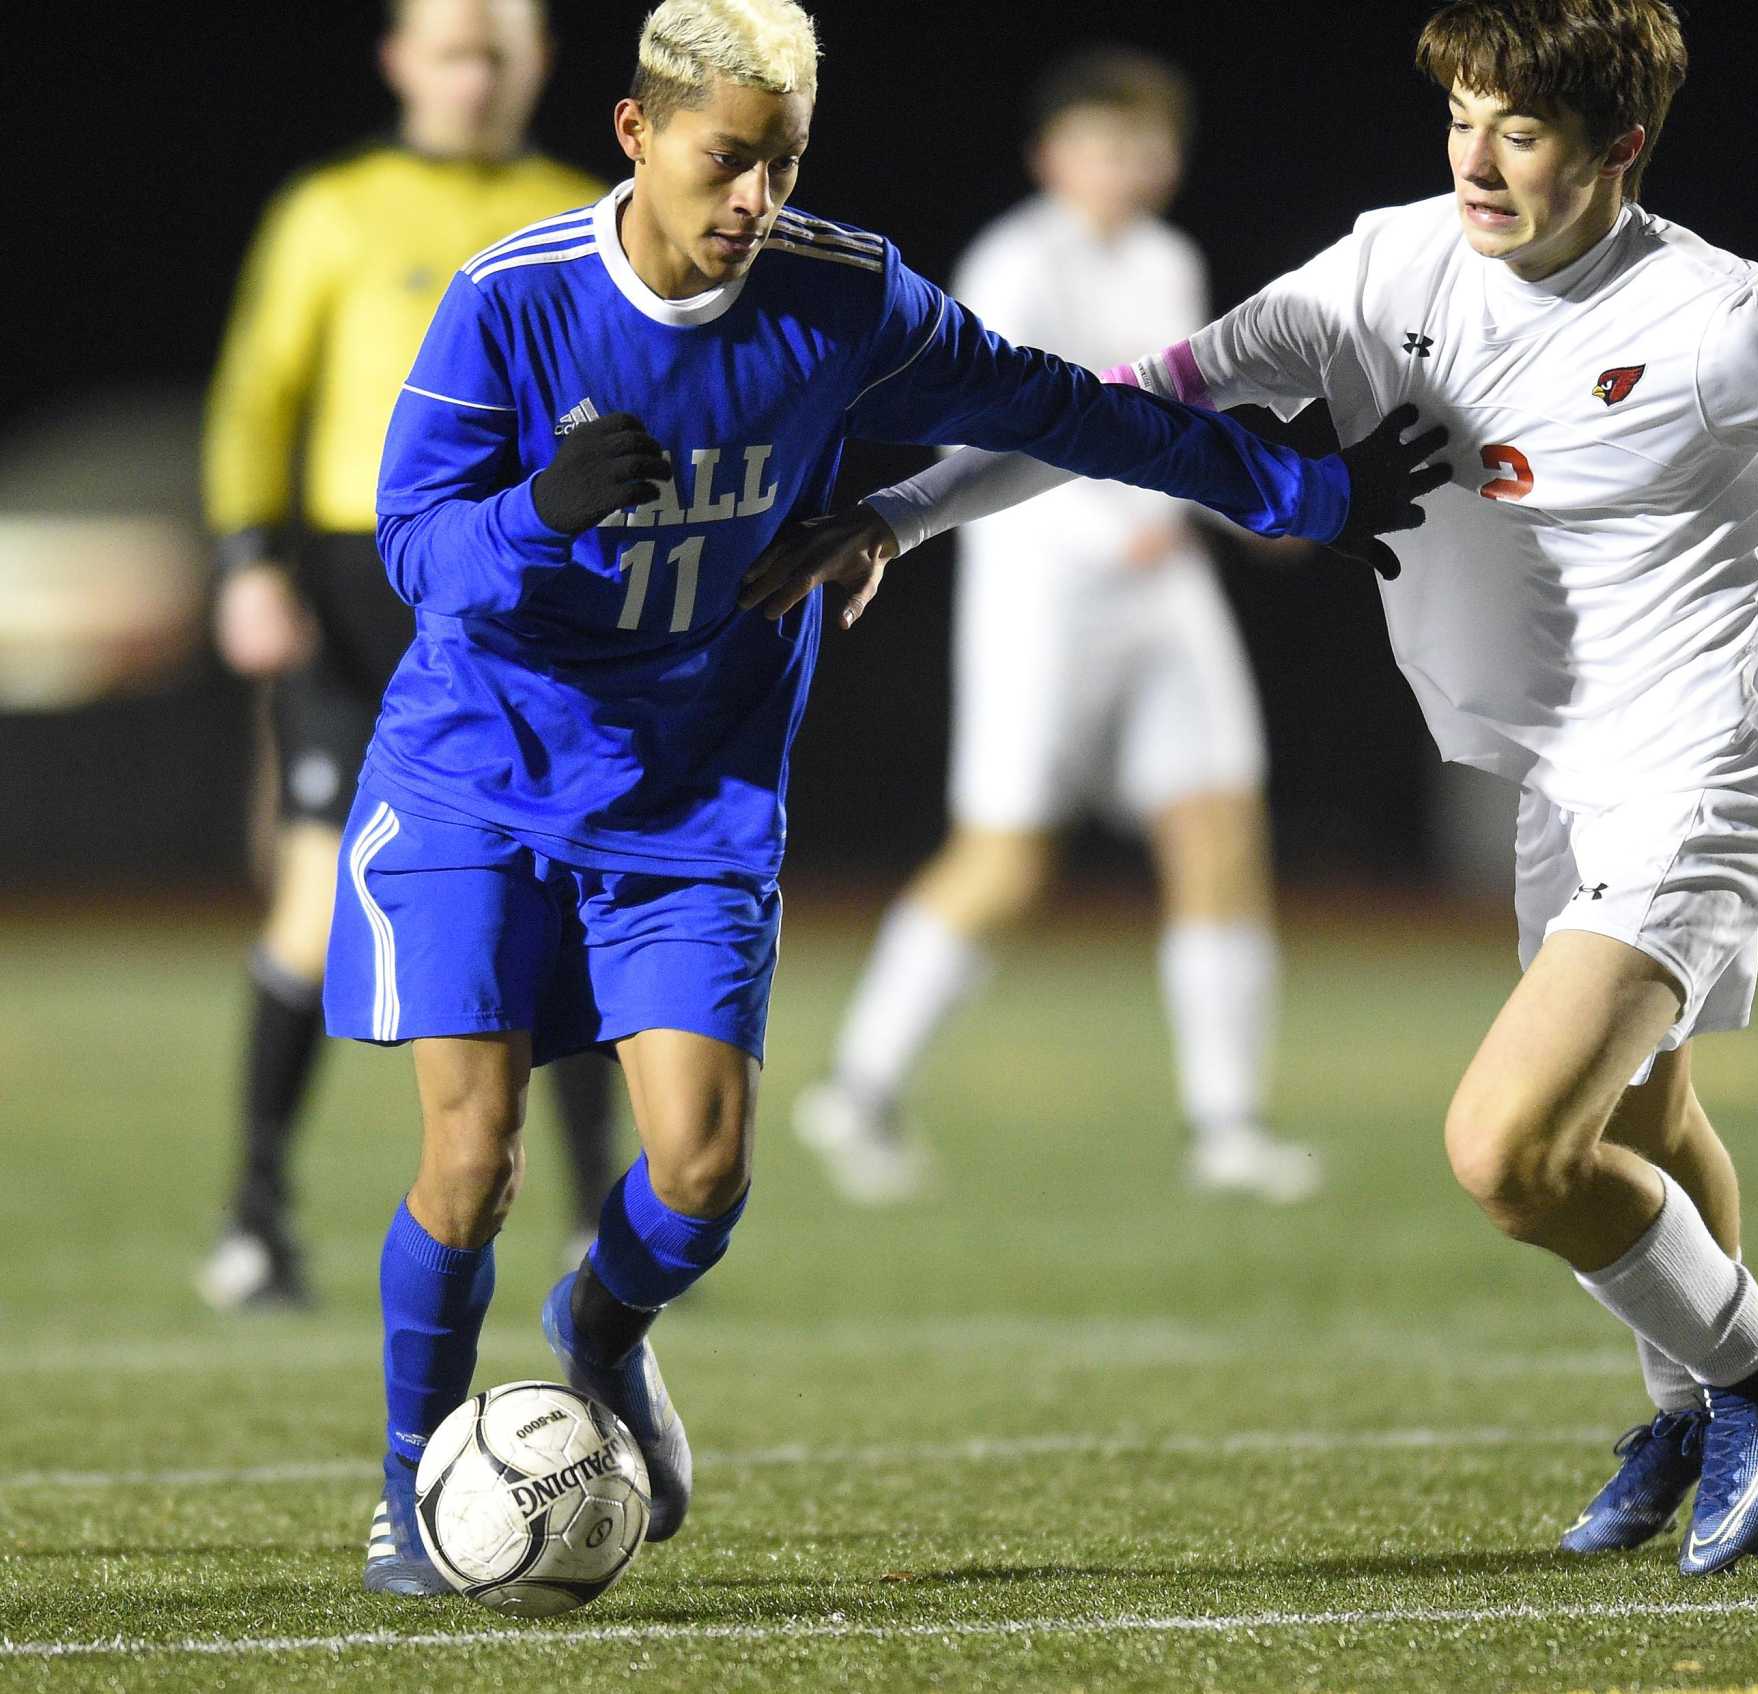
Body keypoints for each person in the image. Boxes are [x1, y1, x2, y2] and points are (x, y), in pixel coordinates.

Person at [745, 0, 1758, 1576]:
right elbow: (1116, 413)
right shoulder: (1384, 269)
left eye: (1522, 130)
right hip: (1562, 782)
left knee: (1508, 1151)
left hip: (1714, 768)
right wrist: (895, 517)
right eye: (1460, 120)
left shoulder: (1719, 324)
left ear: (1621, 148)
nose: (1476, 164)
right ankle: (1706, 1402)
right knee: (1651, 1112)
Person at [334, 0, 1446, 1597]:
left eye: (782, 167)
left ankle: (600, 1323)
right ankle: (409, 1494)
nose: (754, 202)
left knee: (703, 1172)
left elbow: (1065, 408)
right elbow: (415, 545)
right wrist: (535, 512)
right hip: (481, 779)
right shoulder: (513, 304)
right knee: (471, 1158)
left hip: (694, 790)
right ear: (639, 136)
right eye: (727, 161)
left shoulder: (840, 295)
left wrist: (1298, 489)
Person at [792, 48, 1318, 1208]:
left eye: (1144, 145)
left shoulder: (1169, 258)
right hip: (1039, 595)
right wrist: (1104, 529)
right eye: (1100, 142)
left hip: (1163, 591)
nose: (1124, 166)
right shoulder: (1013, 262)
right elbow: (979, 433)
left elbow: (1171, 426)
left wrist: (1245, 507)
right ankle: (858, 1084)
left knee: (1219, 826)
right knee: (1006, 857)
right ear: (1050, 156)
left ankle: (1226, 1124)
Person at [199, 0, 621, 1310]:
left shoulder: (583, 208)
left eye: (501, 46)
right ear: (400, 61)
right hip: (355, 580)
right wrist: (246, 562)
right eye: (453, 44)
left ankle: (596, 1224)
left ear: (540, 62)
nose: (478, 68)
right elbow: (258, 392)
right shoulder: (333, 207)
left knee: (572, 887)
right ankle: (257, 1213)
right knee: (319, 903)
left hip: (525, 574)